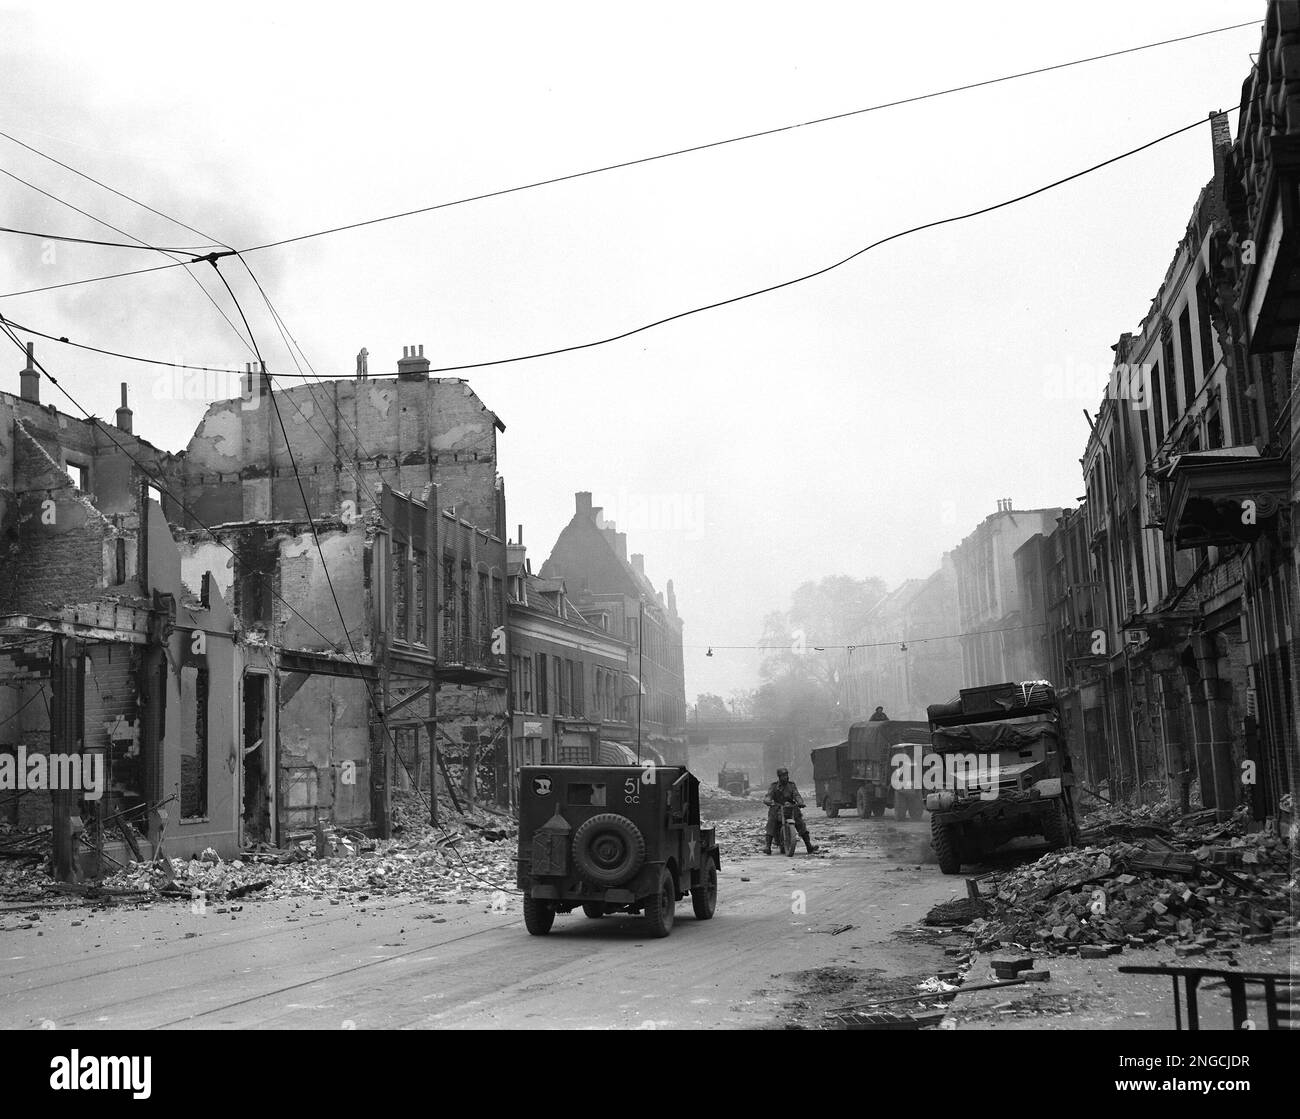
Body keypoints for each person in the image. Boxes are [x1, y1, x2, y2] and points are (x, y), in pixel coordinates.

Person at [763, 767, 818, 854]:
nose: (786, 777)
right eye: (784, 775)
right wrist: (768, 801)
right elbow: (768, 796)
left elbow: (796, 795)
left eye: (787, 775)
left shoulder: (791, 785)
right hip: (778, 807)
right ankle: (768, 846)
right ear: (779, 777)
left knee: (800, 823)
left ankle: (809, 846)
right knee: (771, 821)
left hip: (791, 808)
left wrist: (800, 802)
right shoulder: (774, 786)